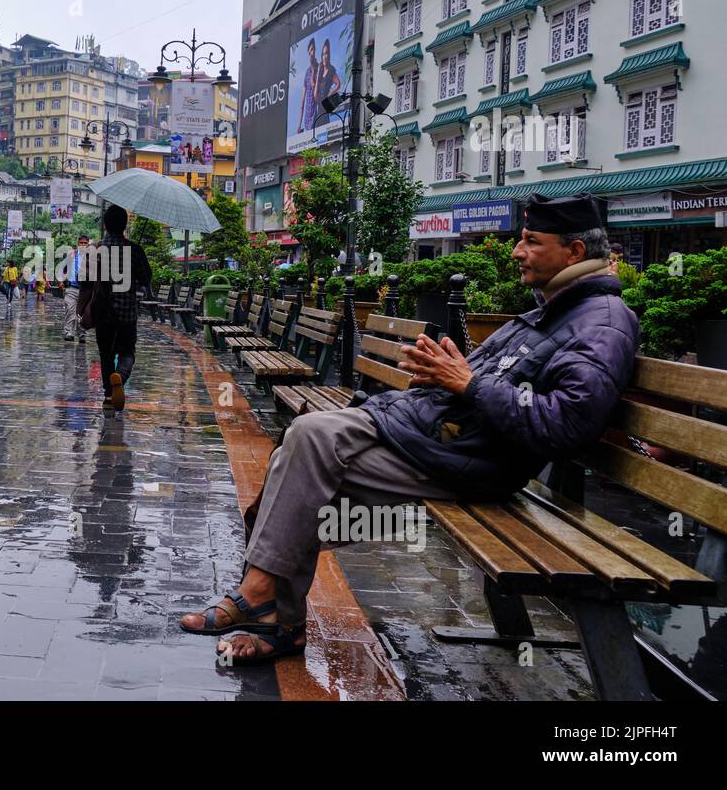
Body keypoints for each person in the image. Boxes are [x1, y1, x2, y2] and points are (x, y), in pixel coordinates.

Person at [179, 193, 639, 665]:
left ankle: (260, 596)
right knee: (297, 467)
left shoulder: (602, 324)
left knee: (308, 439)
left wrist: (468, 383)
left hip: (472, 461)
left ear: (575, 253)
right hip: (436, 436)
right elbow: (482, 380)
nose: (517, 252)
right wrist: (446, 374)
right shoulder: (551, 311)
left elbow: (567, 426)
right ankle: (279, 621)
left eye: (530, 242)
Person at [85, 206, 151, 411]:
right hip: (127, 313)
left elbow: (87, 280)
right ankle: (120, 377)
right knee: (127, 353)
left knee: (106, 355)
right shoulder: (135, 250)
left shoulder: (94, 250)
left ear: (105, 225)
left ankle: (107, 396)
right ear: (125, 225)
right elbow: (146, 279)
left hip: (103, 312)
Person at [63, 234, 91, 344]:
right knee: (70, 310)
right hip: (72, 288)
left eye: (85, 243)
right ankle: (69, 332)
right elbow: (63, 268)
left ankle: (82, 334)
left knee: (83, 313)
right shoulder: (72, 254)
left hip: (86, 290)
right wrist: (61, 280)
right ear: (78, 244)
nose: (83, 245)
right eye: (81, 243)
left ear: (88, 244)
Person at [299, 39, 320, 133]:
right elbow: (302, 101)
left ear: (315, 50)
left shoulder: (320, 68)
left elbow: (315, 88)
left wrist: (313, 70)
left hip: (317, 112)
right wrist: (299, 124)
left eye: (313, 49)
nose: (312, 52)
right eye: (310, 50)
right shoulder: (307, 72)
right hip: (307, 116)